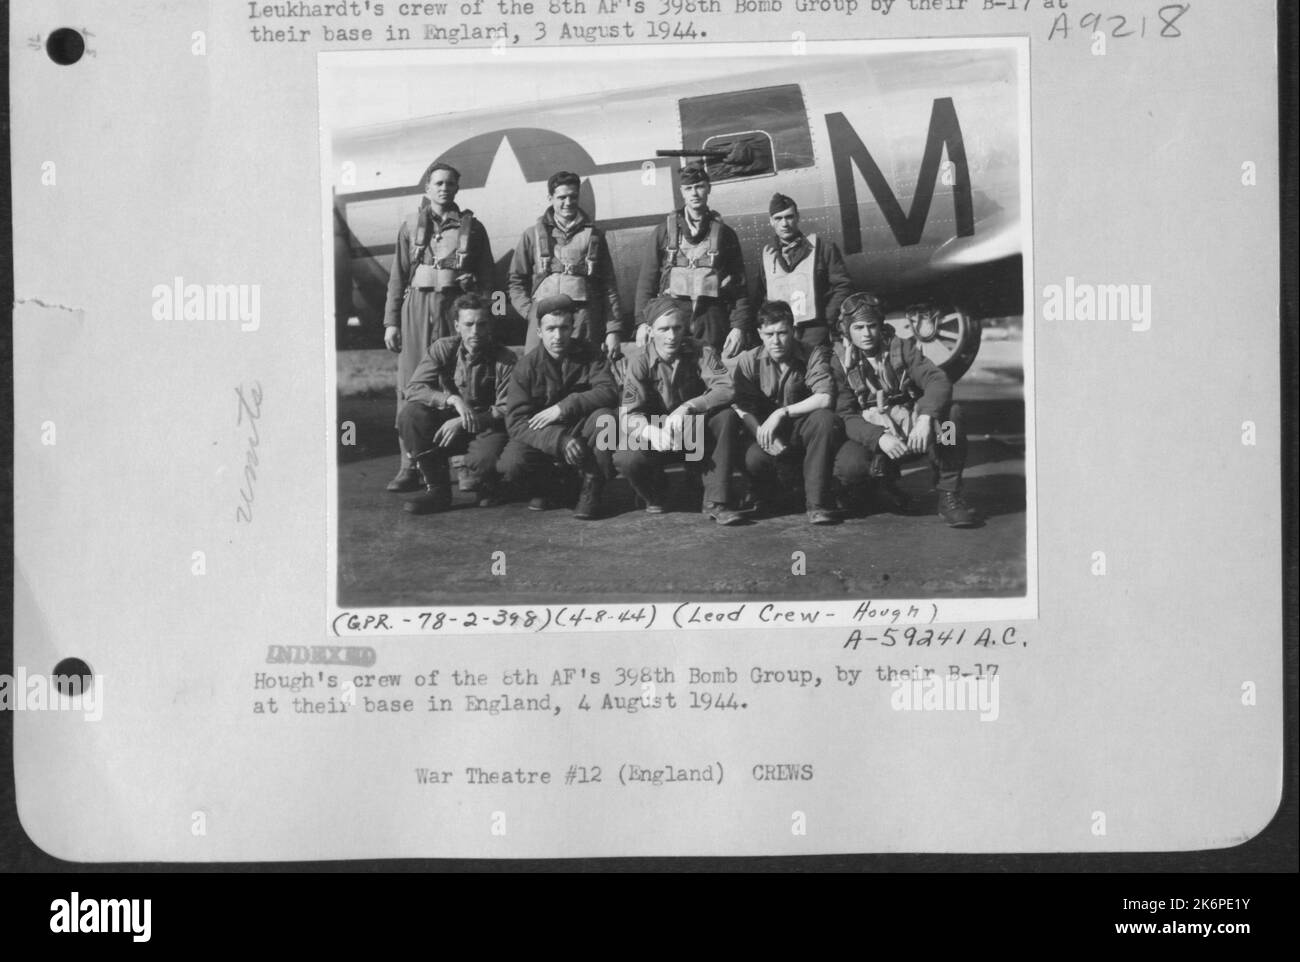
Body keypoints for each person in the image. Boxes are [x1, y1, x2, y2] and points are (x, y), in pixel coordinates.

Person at [382, 162, 495, 492]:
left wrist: (475, 294)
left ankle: (461, 464)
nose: (444, 188)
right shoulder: (409, 226)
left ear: (457, 189)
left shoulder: (473, 229)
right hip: (416, 308)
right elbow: (397, 277)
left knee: (455, 379)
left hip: (453, 307)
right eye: (438, 183)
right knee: (412, 380)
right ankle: (410, 465)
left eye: (450, 184)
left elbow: (488, 279)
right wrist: (391, 322)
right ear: (427, 189)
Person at [829, 293, 980, 527]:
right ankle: (881, 485)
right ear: (847, 329)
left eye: (872, 326)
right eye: (858, 327)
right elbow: (846, 415)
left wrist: (925, 418)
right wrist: (879, 438)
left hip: (911, 430)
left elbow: (937, 380)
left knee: (950, 420)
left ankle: (949, 493)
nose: (867, 334)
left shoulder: (901, 347)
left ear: (881, 326)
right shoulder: (839, 362)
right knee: (850, 467)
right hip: (872, 435)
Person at [613, 297, 744, 525]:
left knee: (726, 416)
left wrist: (689, 406)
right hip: (657, 436)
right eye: (664, 329)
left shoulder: (701, 349)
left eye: (677, 328)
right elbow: (628, 416)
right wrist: (651, 432)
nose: (672, 336)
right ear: (651, 331)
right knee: (626, 457)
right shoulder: (639, 362)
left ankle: (717, 501)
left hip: (692, 432)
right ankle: (654, 492)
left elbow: (726, 387)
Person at [499, 295, 619, 520]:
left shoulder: (591, 354)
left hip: (582, 428)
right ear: (539, 332)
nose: (558, 336)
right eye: (551, 328)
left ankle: (593, 486)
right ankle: (550, 488)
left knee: (606, 419)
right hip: (546, 436)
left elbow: (610, 392)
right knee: (511, 464)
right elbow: (516, 422)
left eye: (564, 328)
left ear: (572, 328)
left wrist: (565, 406)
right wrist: (558, 440)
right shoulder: (525, 367)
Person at [395, 294, 517, 515]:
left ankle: (489, 482)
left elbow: (508, 407)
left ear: (489, 326)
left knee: (484, 462)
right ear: (457, 326)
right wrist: (451, 399)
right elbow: (413, 388)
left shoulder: (505, 358)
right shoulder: (443, 349)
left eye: (481, 324)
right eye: (468, 324)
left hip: (487, 426)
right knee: (411, 415)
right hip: (449, 422)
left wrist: (463, 422)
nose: (475, 331)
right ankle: (438, 491)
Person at [731, 301, 843, 525]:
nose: (776, 341)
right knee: (753, 457)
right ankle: (768, 495)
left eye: (782, 333)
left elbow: (825, 397)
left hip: (800, 431)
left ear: (794, 331)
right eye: (770, 334)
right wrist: (761, 432)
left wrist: (781, 412)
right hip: (767, 434)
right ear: (760, 334)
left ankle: (817, 504)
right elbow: (741, 406)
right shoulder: (748, 361)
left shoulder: (813, 354)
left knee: (825, 419)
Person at [633, 162, 752, 357]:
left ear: (709, 188)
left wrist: (739, 326)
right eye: (689, 188)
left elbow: (740, 286)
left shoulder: (725, 234)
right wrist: (642, 322)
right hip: (673, 321)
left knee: (713, 373)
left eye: (699, 187)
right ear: (682, 192)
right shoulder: (663, 232)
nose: (694, 193)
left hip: (711, 320)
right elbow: (647, 282)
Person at [508, 171, 623, 357]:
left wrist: (613, 330)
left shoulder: (595, 236)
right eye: (562, 197)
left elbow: (608, 287)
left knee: (583, 374)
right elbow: (515, 281)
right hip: (543, 319)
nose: (568, 202)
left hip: (583, 320)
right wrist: (530, 312)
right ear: (550, 198)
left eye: (573, 196)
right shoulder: (532, 235)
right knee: (539, 374)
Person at [755, 193, 855, 348]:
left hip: (814, 333)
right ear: (771, 221)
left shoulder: (822, 248)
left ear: (797, 217)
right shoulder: (767, 256)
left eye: (789, 217)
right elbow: (762, 295)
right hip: (780, 335)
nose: (784, 224)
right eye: (778, 218)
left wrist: (826, 320)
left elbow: (843, 285)